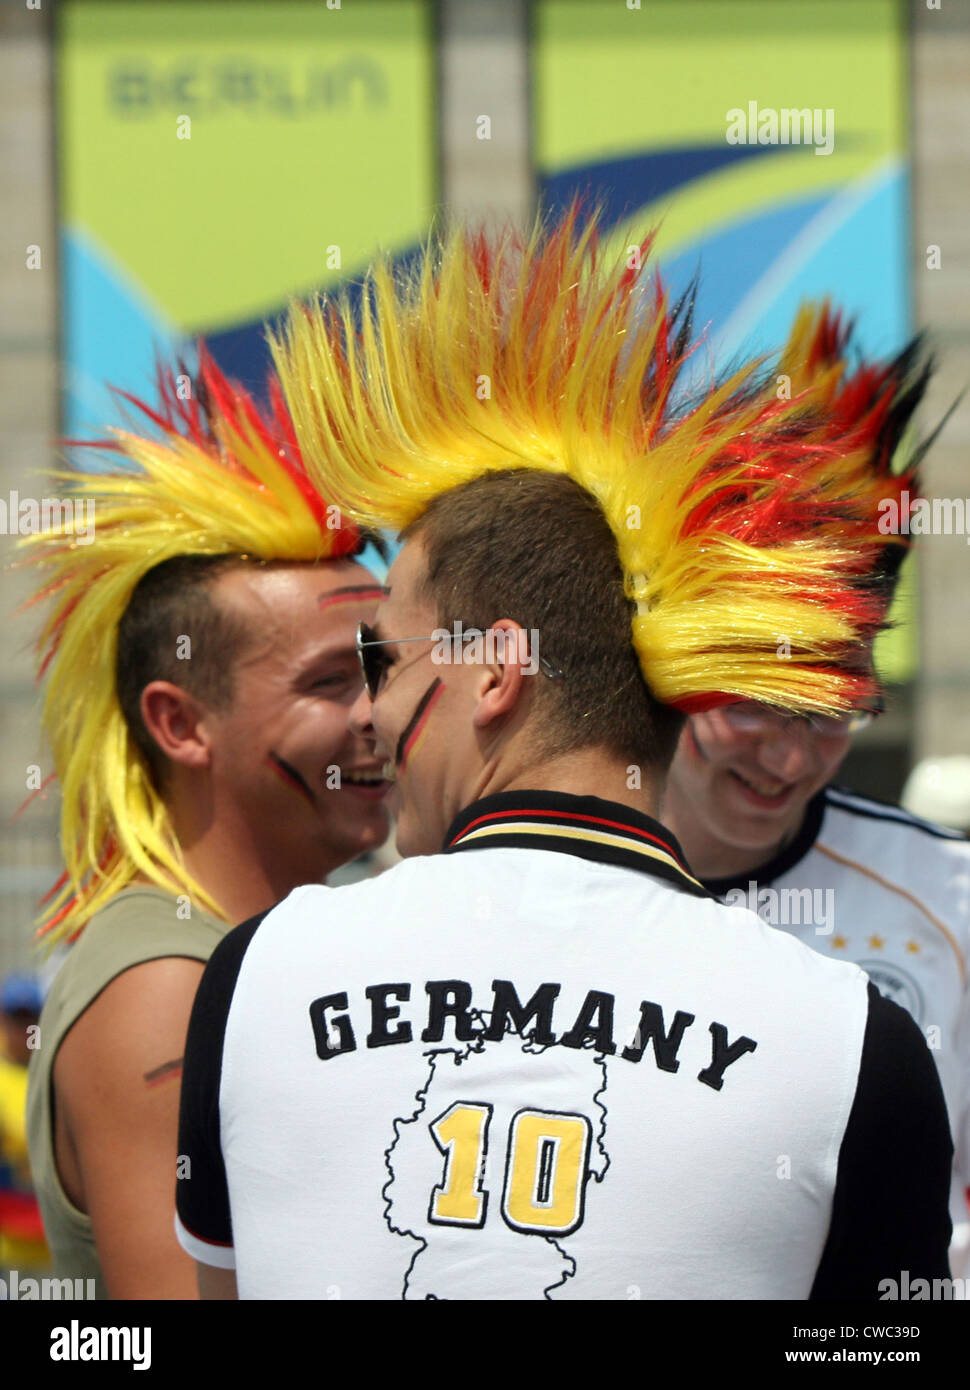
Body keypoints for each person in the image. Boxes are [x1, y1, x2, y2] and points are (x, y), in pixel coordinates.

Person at [175, 212, 952, 1299]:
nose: (374, 709)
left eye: (386, 658)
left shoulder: (255, 973)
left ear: (493, 672)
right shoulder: (850, 1039)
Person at [20, 350, 392, 1298]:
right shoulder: (165, 988)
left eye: (385, 671)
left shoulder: (260, 946)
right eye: (330, 683)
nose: (381, 714)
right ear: (179, 723)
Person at [661, 304, 970, 1279]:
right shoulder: (527, 881)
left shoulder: (950, 897)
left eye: (833, 709)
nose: (791, 760)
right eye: (758, 703)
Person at [0, 973, 49, 1274]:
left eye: (30, 1019)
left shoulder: (54, 1074)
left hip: (48, 1243)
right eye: (16, 1020)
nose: (24, 1029)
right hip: (6, 1243)